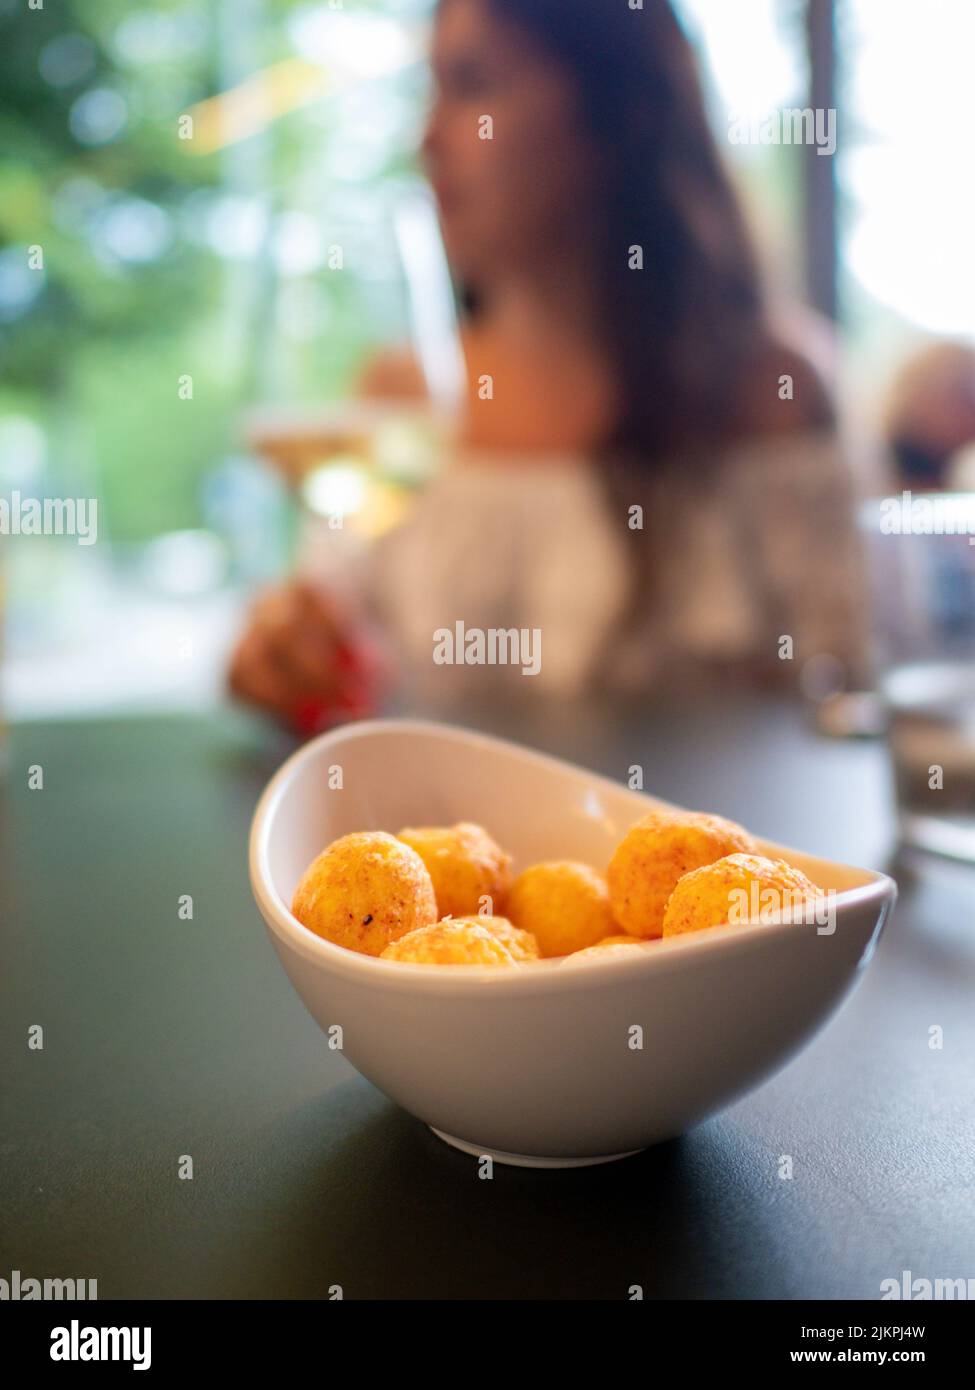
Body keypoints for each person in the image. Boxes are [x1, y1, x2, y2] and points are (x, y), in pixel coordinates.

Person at [229, 0, 867, 728]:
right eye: (430, 90)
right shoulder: (395, 402)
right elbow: (332, 670)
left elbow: (848, 690)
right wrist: (286, 661)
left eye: (471, 84)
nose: (427, 138)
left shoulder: (772, 391)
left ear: (616, 111)